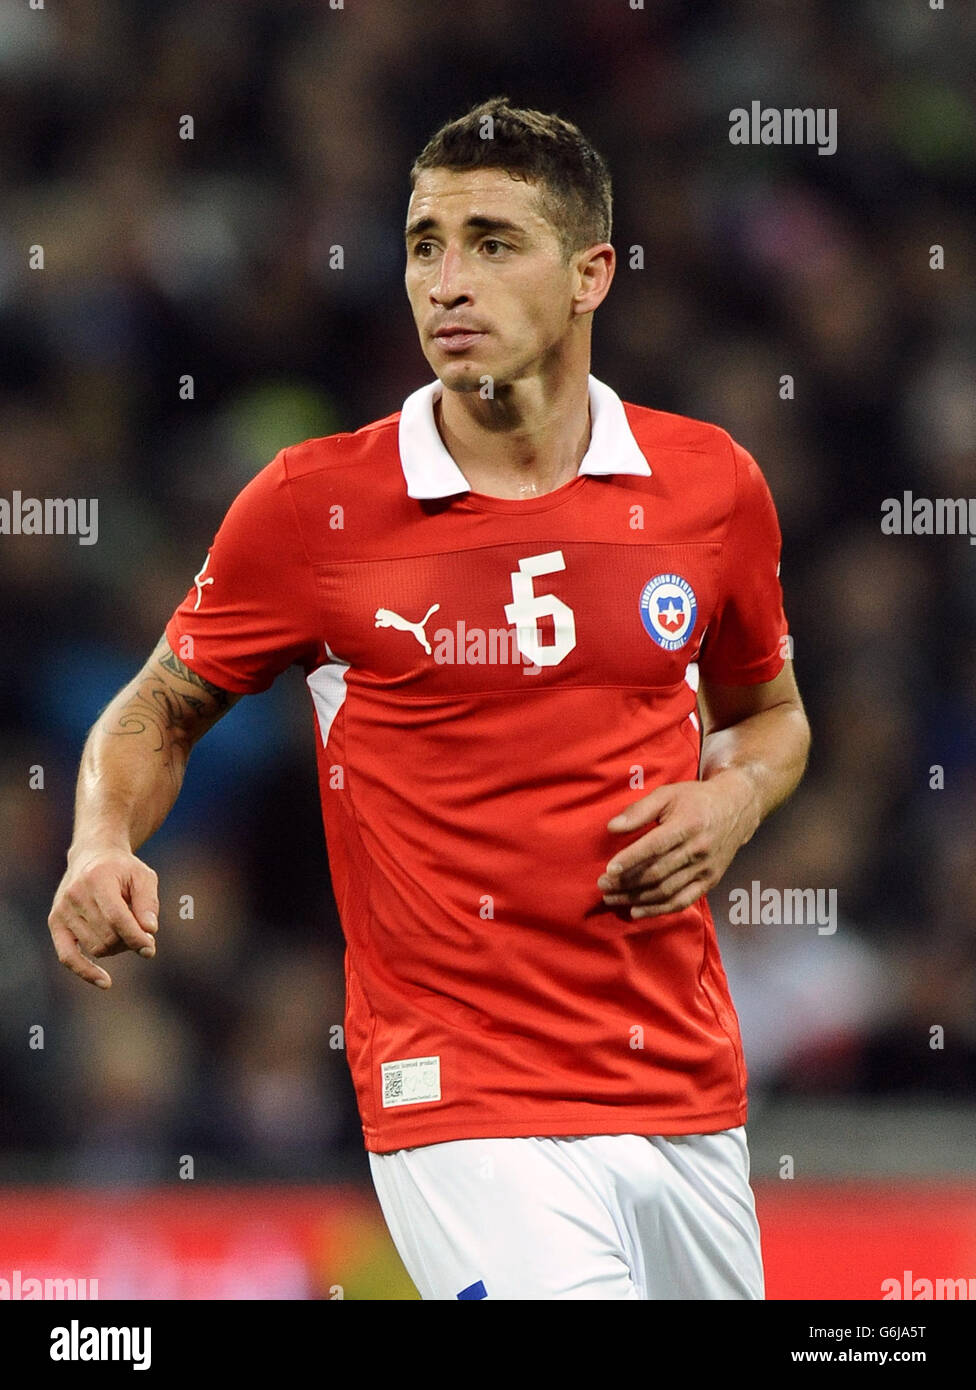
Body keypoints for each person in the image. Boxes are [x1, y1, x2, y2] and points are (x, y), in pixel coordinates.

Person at [48, 98, 810, 1300]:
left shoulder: (707, 484)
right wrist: (99, 837)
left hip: (680, 1084)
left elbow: (769, 714)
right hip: (458, 1097)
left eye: (492, 243)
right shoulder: (314, 507)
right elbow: (158, 707)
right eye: (423, 245)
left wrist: (734, 801)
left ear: (590, 274)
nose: (446, 282)